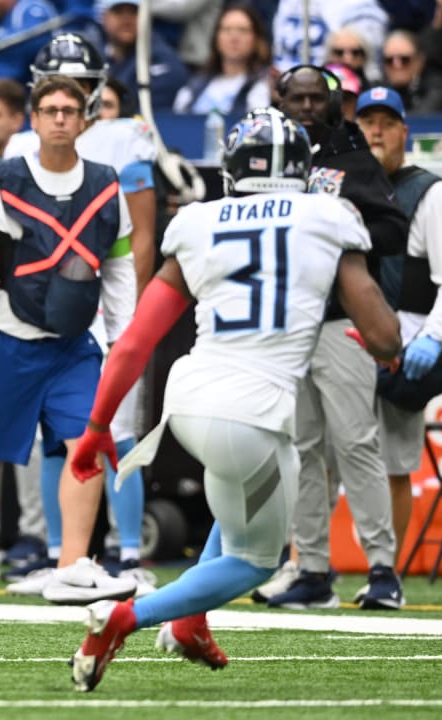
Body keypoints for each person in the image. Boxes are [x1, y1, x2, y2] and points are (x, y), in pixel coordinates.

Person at [67, 107, 401, 692]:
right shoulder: (328, 216)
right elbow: (381, 336)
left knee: (253, 493)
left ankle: (191, 623)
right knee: (257, 560)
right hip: (254, 410)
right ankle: (124, 618)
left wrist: (97, 427)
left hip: (192, 398)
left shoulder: (198, 221)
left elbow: (136, 343)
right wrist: (394, 347)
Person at [0, 75, 136, 603]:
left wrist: (121, 342)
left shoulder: (108, 184)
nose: (60, 118)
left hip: (72, 343)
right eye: (50, 109)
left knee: (85, 444)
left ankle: (72, 564)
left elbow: (120, 265)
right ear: (33, 120)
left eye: (70, 110)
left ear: (85, 120)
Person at [0, 33, 157, 602]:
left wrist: (131, 323)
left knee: (116, 433)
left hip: (101, 305)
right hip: (43, 310)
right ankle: (59, 553)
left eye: (86, 88)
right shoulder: (23, 144)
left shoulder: (125, 138)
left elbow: (139, 239)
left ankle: (130, 552)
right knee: (54, 438)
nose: (75, 99)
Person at [259, 65, 409, 610]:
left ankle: (382, 568)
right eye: (294, 98)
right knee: (298, 450)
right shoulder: (268, 158)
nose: (304, 107)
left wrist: (350, 224)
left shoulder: (350, 161)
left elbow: (394, 230)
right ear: (280, 100)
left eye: (313, 99)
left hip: (340, 319)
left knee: (357, 443)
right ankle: (312, 568)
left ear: (332, 103)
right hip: (288, 322)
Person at [355, 86, 442, 588]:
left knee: (394, 463)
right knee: (322, 455)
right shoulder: (346, 186)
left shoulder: (432, 193)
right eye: (367, 121)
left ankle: (388, 573)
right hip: (346, 338)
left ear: (405, 131)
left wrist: (435, 338)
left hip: (404, 344)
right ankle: (307, 566)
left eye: (386, 121)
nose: (376, 130)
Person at [172, 5, 273, 116]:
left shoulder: (264, 85)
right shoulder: (194, 85)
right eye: (227, 30)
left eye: (243, 30)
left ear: (256, 39)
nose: (234, 38)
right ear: (216, 38)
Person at [97, 0, 188, 113]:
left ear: (147, 17)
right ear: (104, 17)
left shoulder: (163, 60)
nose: (127, 20)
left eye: (134, 12)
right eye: (118, 12)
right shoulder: (98, 58)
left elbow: (150, 113)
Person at [379, 30, 442, 115]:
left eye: (404, 59)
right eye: (389, 60)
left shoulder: (437, 88)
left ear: (420, 61)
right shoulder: (377, 90)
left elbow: (422, 121)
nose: (397, 65)